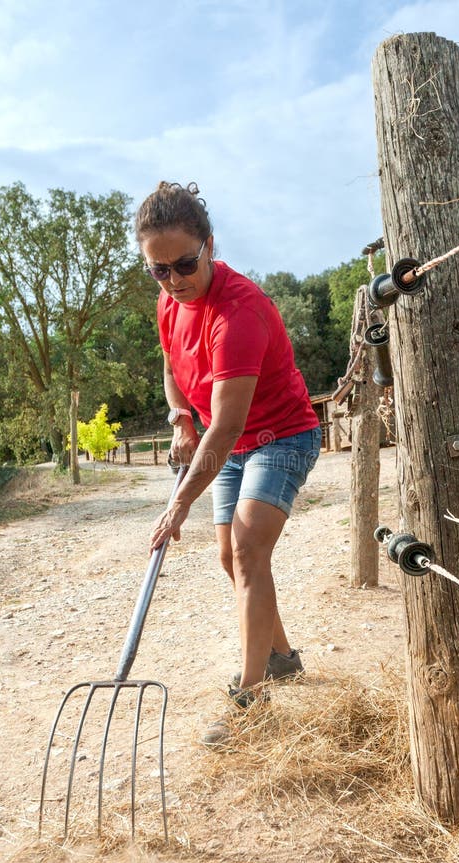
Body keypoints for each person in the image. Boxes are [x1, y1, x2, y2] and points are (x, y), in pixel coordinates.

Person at [135, 181, 321, 746]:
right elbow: (171, 368)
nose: (174, 280)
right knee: (230, 557)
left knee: (246, 547)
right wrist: (178, 418)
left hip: (281, 435)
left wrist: (179, 504)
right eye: (158, 270)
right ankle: (283, 657)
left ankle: (252, 697)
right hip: (231, 442)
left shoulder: (238, 312)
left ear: (210, 245)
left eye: (184, 264)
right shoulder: (172, 301)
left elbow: (230, 423)